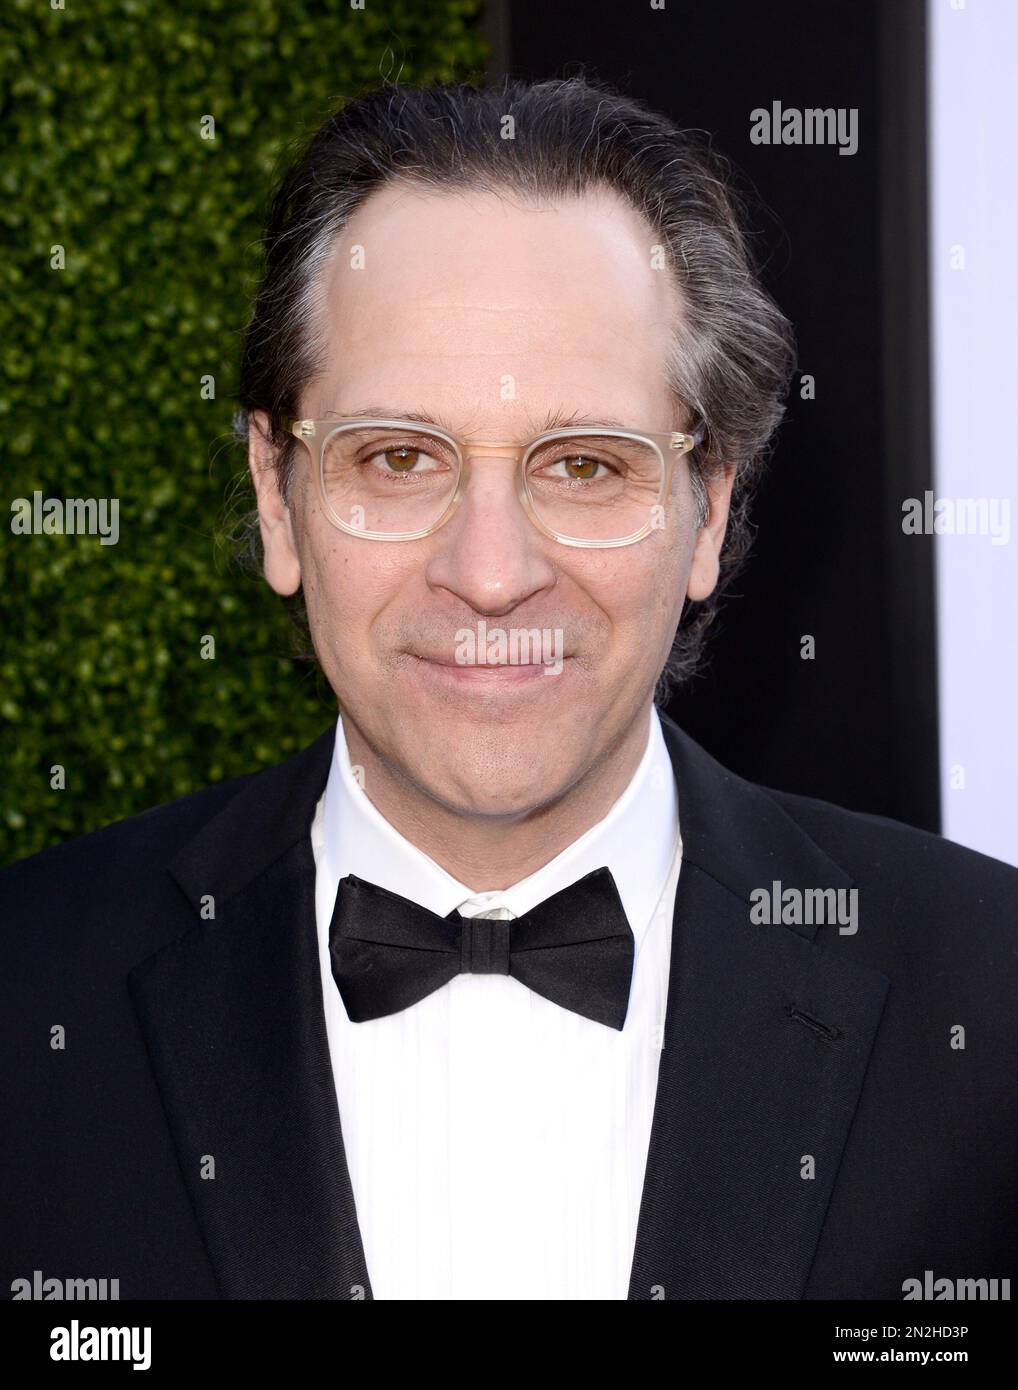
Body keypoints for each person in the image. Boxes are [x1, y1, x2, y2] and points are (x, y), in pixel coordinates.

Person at [2, 76, 1016, 1302]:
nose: (490, 574)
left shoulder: (987, 999)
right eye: (396, 456)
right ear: (278, 497)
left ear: (709, 510)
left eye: (585, 464)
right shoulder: (30, 994)